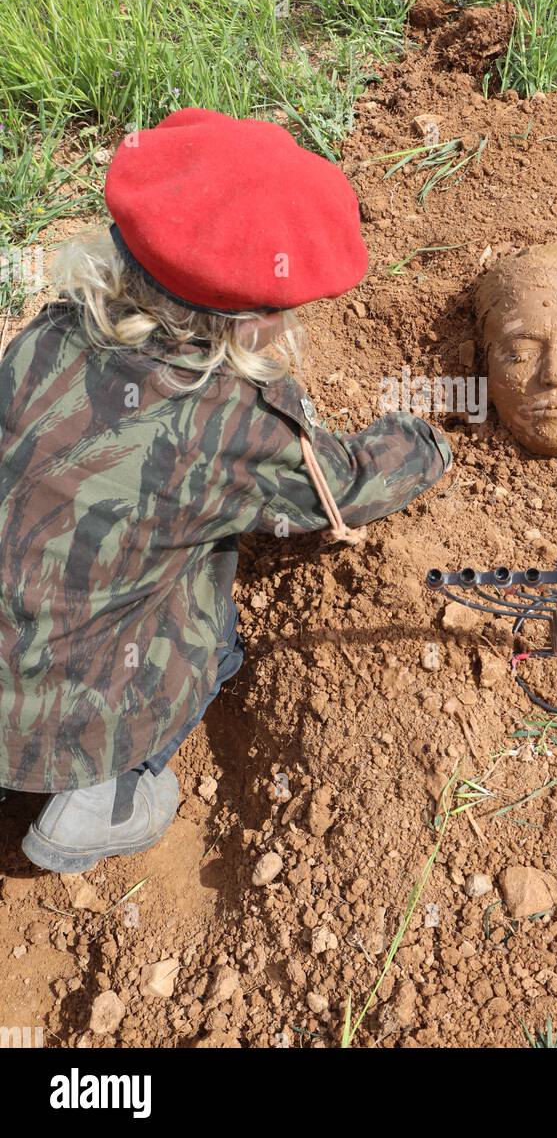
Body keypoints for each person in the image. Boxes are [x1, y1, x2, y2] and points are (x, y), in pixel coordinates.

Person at [0, 108, 451, 872]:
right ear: (252, 324)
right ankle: (104, 791)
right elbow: (344, 489)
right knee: (209, 625)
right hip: (48, 717)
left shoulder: (46, 336)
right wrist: (429, 440)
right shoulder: (234, 426)